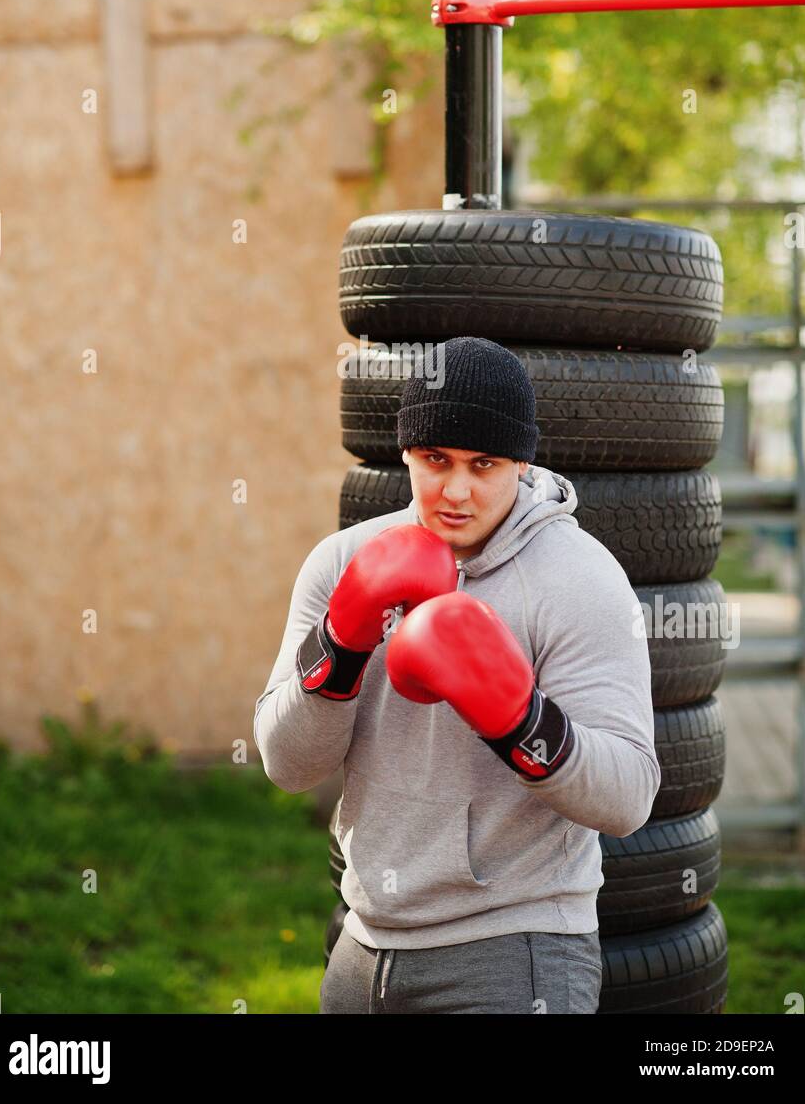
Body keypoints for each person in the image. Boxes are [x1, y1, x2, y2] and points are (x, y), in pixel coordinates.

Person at [253, 336, 660, 1014]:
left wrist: (517, 717)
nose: (457, 490)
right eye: (435, 460)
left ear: (520, 461)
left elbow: (626, 800)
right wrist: (341, 645)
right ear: (406, 451)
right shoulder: (342, 562)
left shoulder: (580, 579)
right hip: (363, 944)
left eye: (485, 464)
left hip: (515, 947)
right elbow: (287, 766)